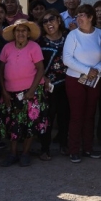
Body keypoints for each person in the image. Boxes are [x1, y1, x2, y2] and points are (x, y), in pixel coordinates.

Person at [0, 19, 47, 167]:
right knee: (13, 123)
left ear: (28, 33)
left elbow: (40, 69)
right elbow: (0, 70)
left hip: (31, 91)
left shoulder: (34, 47)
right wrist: (4, 91)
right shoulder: (7, 48)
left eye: (24, 30)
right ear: (14, 33)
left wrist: (32, 91)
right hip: (10, 92)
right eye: (18, 30)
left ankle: (25, 153)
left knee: (30, 123)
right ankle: (13, 153)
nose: (21, 33)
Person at [63, 4, 101, 162]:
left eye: (82, 15)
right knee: (77, 115)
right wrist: (87, 70)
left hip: (95, 80)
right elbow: (67, 59)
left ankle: (88, 148)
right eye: (77, 16)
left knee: (90, 114)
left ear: (90, 17)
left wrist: (97, 69)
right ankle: (74, 149)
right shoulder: (72, 35)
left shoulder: (100, 34)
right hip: (75, 79)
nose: (79, 19)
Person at [38, 10, 70, 160]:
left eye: (52, 19)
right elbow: (34, 64)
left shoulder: (69, 37)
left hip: (67, 83)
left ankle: (64, 144)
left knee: (65, 115)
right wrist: (43, 78)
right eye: (45, 21)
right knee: (47, 116)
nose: (49, 23)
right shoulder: (40, 42)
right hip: (47, 85)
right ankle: (45, 148)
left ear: (59, 20)